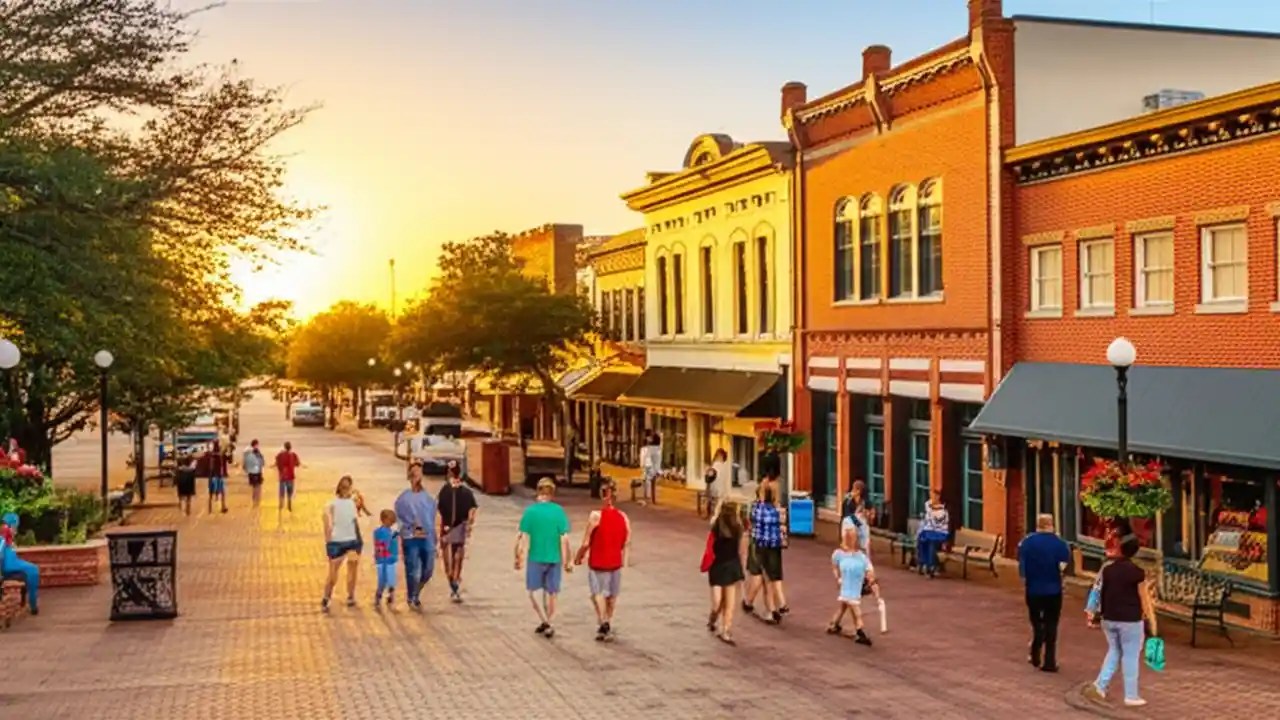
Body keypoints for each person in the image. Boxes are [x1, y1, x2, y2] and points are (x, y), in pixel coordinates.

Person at [1084, 534, 1158, 708]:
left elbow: (1099, 591)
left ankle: (1100, 685)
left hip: (1109, 618)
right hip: (1130, 620)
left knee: (1115, 650)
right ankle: (1131, 695)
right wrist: (1151, 620)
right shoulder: (1137, 573)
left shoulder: (1108, 570)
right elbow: (1144, 598)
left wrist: (1093, 611)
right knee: (1130, 656)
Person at [514, 477, 572, 639]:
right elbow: (564, 538)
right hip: (554, 557)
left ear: (538, 492)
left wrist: (518, 556)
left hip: (536, 557)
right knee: (551, 592)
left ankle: (545, 620)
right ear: (552, 493)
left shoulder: (530, 512)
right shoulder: (559, 511)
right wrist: (567, 559)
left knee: (533, 592)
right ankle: (550, 621)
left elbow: (523, 537)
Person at [574, 478, 630, 641]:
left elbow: (586, 542)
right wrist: (625, 561)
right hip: (615, 562)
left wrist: (579, 556)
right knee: (611, 596)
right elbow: (627, 541)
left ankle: (603, 621)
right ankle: (607, 622)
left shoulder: (595, 516)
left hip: (598, 561)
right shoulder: (623, 517)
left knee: (597, 593)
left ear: (602, 496)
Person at [1019, 513, 1072, 672]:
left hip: (1033, 589)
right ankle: (1049, 661)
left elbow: (1022, 569)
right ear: (1052, 525)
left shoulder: (1026, 543)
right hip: (1053, 590)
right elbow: (1063, 567)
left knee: (1036, 622)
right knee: (1052, 624)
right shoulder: (1060, 544)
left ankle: (1035, 650)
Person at [827, 517, 880, 646]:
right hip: (847, 585)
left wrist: (873, 584)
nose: (850, 539)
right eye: (847, 536)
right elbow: (834, 566)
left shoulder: (861, 557)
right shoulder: (839, 554)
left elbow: (870, 572)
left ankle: (834, 624)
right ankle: (860, 630)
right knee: (854, 607)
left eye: (852, 537)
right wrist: (838, 578)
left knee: (845, 605)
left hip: (855, 585)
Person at [394, 461, 438, 611]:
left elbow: (433, 519)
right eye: (414, 472)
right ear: (409, 475)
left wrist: (435, 538)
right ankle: (412, 596)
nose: (417, 475)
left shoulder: (428, 499)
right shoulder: (402, 499)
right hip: (411, 539)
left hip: (427, 538)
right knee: (412, 569)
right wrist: (408, 529)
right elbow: (399, 520)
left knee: (428, 569)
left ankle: (416, 591)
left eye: (419, 472)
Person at [744, 484, 788, 624]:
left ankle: (749, 602)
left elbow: (750, 521)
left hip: (759, 545)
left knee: (758, 575)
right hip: (774, 546)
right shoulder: (778, 509)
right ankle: (776, 606)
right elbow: (783, 525)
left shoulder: (757, 508)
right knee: (772, 576)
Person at [704, 500, 746, 645]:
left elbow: (740, 549)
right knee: (723, 602)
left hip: (725, 565)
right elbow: (741, 550)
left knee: (726, 601)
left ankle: (725, 630)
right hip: (723, 565)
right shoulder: (717, 527)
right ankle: (714, 619)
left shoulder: (735, 528)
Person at [437, 462, 478, 602]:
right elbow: (472, 509)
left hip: (447, 528)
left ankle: (452, 580)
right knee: (458, 555)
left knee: (447, 557)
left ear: (449, 472)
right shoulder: (466, 492)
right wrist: (470, 525)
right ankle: (455, 580)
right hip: (460, 526)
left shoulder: (444, 490)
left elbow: (439, 510)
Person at [322, 476, 363, 611]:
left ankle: (331, 597)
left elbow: (328, 526)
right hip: (346, 541)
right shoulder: (343, 504)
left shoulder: (334, 504)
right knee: (342, 571)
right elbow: (328, 525)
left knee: (342, 570)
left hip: (344, 541)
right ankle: (340, 596)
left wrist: (328, 541)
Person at [0, 512, 39, 615]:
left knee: (30, 573)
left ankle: (28, 602)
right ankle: (33, 604)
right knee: (33, 570)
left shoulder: (7, 534)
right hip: (8, 565)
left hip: (9, 563)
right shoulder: (5, 531)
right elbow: (1, 550)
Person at [916, 489, 950, 577]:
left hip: (940, 532)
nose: (933, 498)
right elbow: (926, 521)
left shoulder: (943, 511)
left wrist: (931, 512)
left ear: (939, 497)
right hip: (929, 531)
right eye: (932, 495)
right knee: (922, 540)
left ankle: (931, 566)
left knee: (931, 543)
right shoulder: (928, 506)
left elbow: (938, 523)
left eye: (935, 496)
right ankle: (922, 562)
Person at [372, 509, 400, 608]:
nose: (391, 523)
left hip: (390, 559)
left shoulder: (392, 532)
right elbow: (377, 544)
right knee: (382, 580)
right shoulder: (379, 532)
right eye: (390, 520)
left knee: (391, 580)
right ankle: (379, 595)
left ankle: (390, 595)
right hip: (382, 559)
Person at [275, 441, 301, 515]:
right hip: (290, 476)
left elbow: (277, 462)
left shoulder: (280, 455)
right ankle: (289, 503)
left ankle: (281, 505)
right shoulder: (293, 455)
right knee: (290, 492)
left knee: (281, 492)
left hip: (282, 476)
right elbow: (297, 464)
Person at [204, 440, 229, 514]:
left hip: (212, 476)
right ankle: (223, 506)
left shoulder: (211, 455)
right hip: (218, 476)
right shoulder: (219, 455)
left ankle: (210, 509)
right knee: (222, 492)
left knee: (211, 494)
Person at [638, 431, 661, 506]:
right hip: (654, 467)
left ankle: (647, 497)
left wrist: (643, 465)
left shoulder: (647, 448)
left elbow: (645, 457)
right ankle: (652, 498)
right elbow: (658, 459)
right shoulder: (658, 448)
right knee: (652, 484)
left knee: (647, 482)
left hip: (648, 466)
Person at [243, 439, 266, 508]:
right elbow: (262, 462)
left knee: (254, 486)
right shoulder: (257, 453)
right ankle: (257, 501)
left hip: (251, 472)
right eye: (257, 444)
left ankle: (254, 500)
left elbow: (245, 463)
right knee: (258, 486)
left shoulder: (247, 452)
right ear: (255, 445)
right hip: (257, 472)